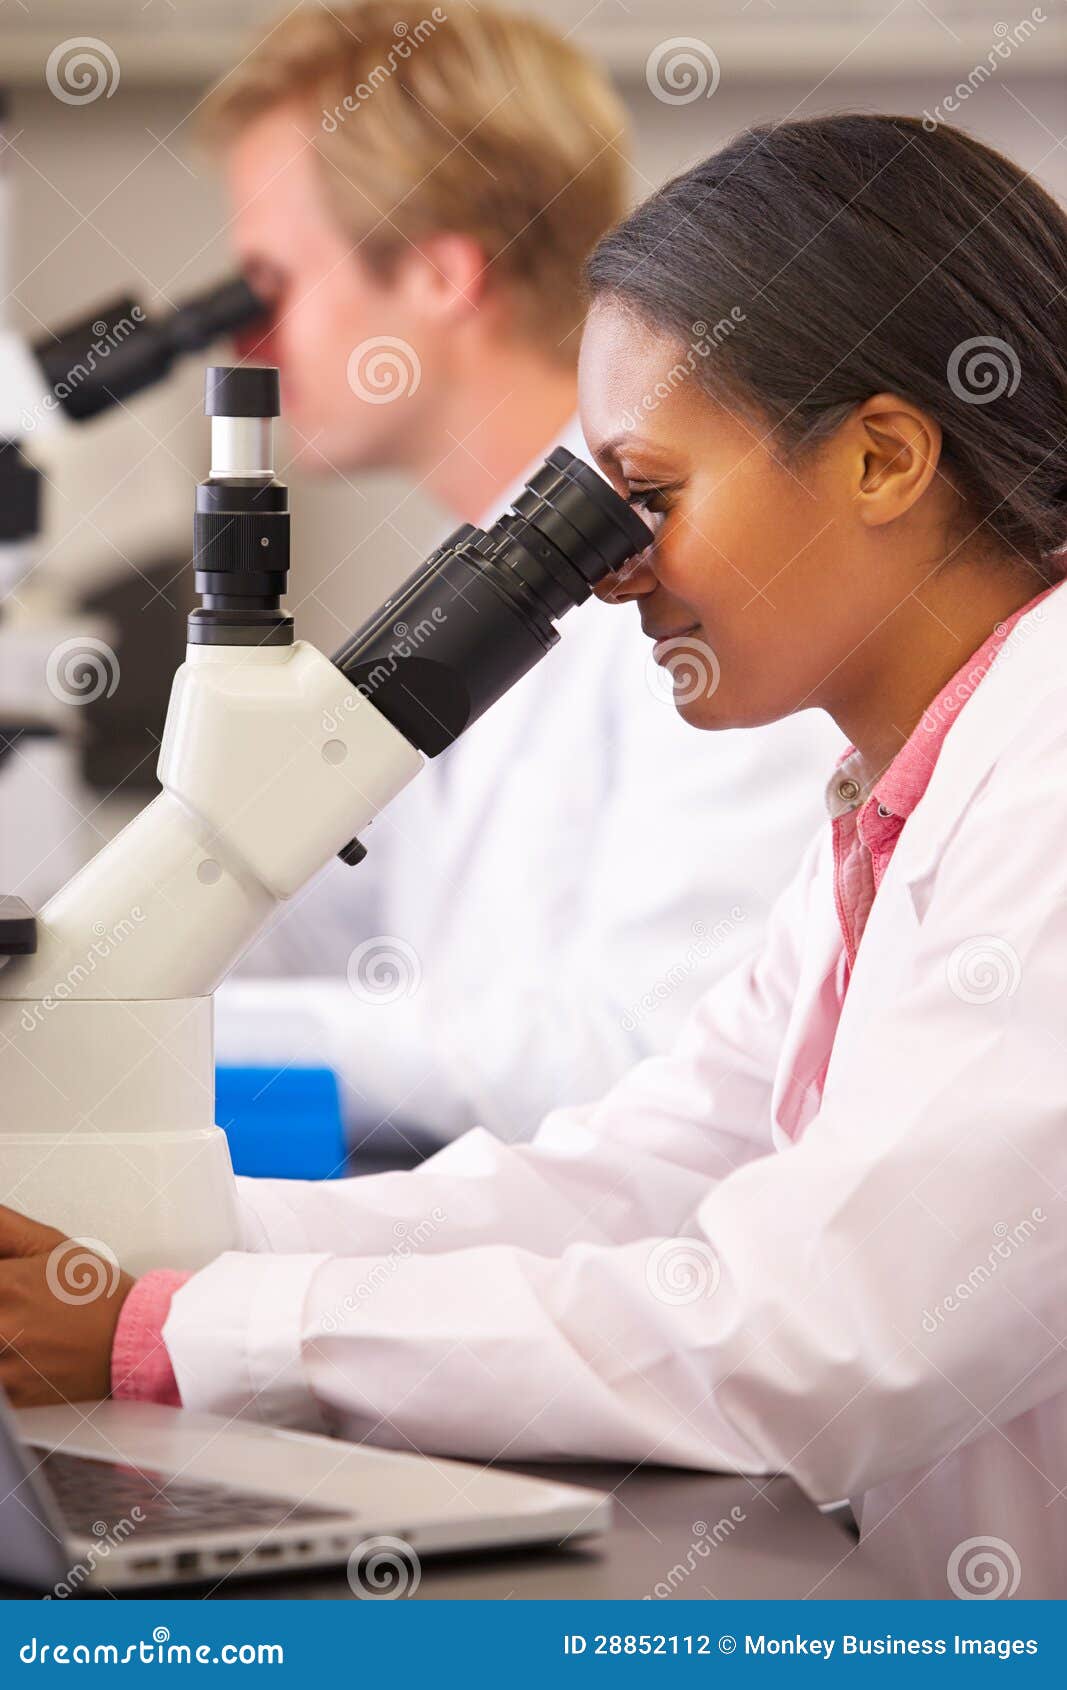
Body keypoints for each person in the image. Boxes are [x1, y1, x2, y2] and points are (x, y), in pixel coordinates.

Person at [5, 113, 1067, 1600]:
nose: (613, 566)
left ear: (881, 455)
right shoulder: (893, 799)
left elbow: (823, 1333)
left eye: (648, 495)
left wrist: (181, 1331)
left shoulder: (1046, 776)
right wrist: (127, 1251)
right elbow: (634, 1170)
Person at [203, 0, 839, 1149]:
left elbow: (647, 1053)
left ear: (442, 276)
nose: (246, 343)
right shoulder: (469, 571)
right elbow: (315, 922)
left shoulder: (689, 586)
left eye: (269, 288)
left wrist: (170, 1026)